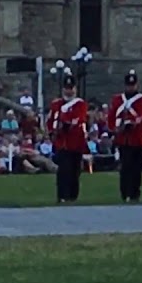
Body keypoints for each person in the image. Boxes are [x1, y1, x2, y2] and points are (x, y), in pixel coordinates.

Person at [107, 69, 142, 202]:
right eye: (128, 85)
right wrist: (115, 128)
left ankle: (135, 193)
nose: (130, 87)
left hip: (137, 138)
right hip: (123, 139)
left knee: (137, 168)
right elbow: (112, 116)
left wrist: (132, 122)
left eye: (132, 85)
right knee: (125, 167)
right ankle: (125, 192)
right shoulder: (117, 100)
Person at [45, 72, 88, 203]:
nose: (69, 91)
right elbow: (50, 120)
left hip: (75, 142)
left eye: (71, 88)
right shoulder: (56, 104)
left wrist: (66, 124)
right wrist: (52, 132)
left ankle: (72, 196)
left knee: (75, 171)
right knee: (63, 171)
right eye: (66, 88)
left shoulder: (80, 104)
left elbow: (78, 119)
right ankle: (62, 195)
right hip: (62, 143)